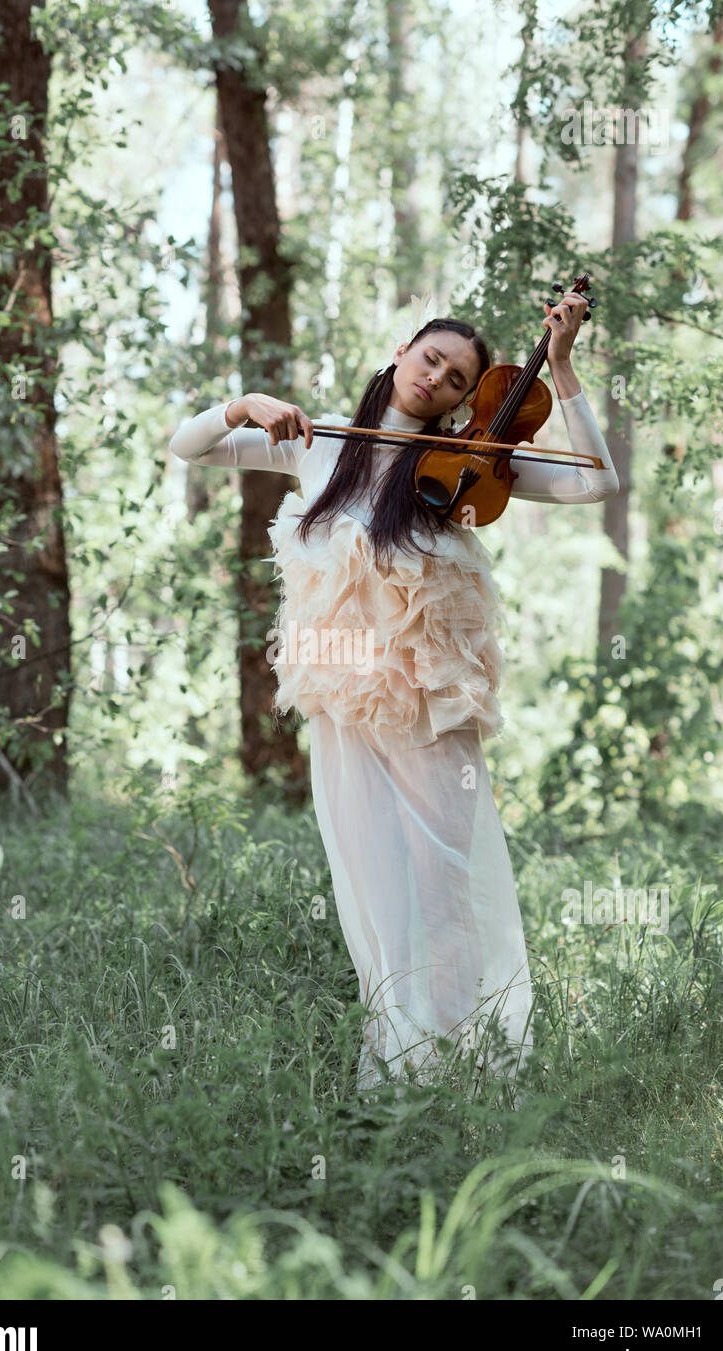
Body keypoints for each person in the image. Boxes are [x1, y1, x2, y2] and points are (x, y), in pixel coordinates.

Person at [168, 292, 619, 1096]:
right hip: (342, 707)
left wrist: (562, 366)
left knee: (444, 882)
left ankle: (472, 1071)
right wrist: (244, 402)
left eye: (456, 381)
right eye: (431, 359)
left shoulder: (473, 467)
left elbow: (596, 484)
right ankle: (402, 1068)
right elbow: (188, 446)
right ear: (402, 352)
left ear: (465, 401)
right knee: (373, 886)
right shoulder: (319, 446)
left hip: (429, 709)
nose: (437, 379)